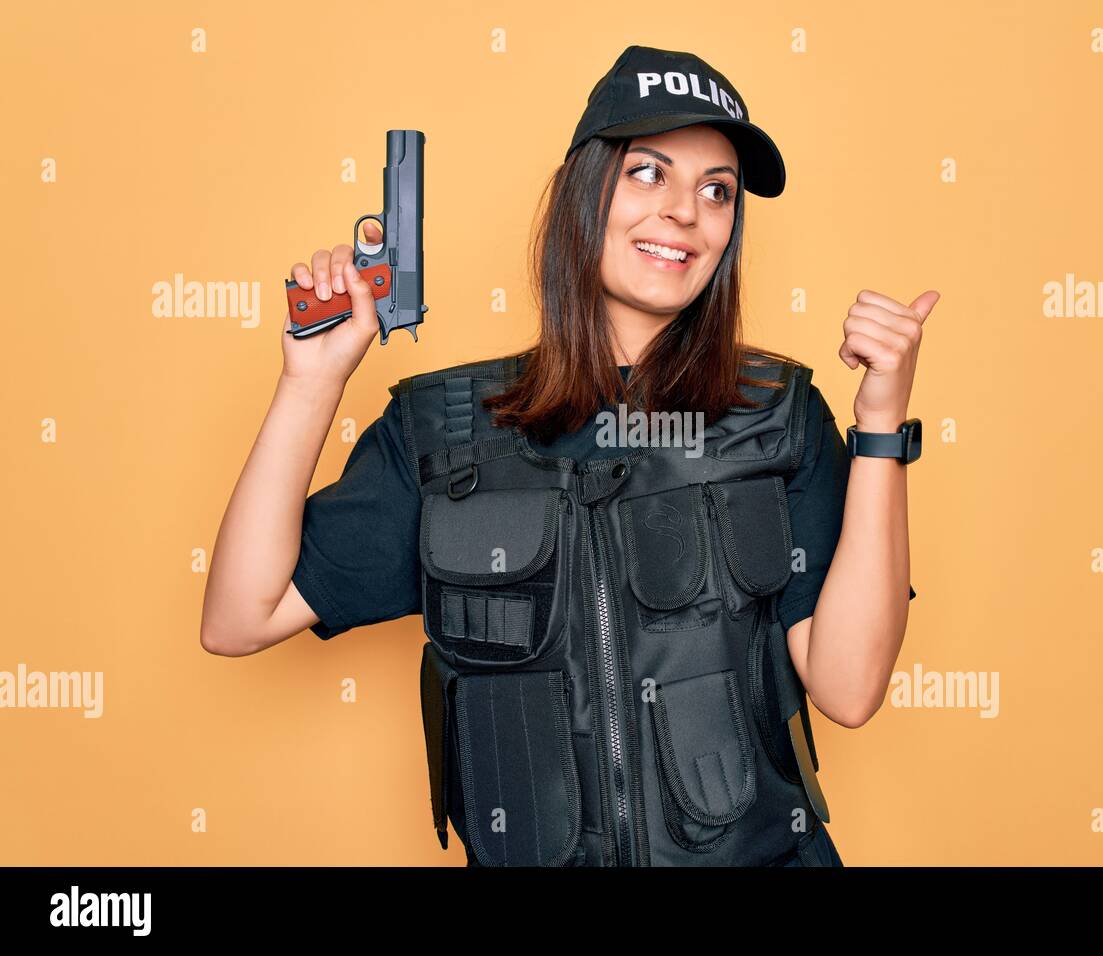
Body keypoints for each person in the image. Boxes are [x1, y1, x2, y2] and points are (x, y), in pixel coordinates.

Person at [201, 44, 935, 867]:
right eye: (648, 174)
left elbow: (848, 689)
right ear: (586, 194)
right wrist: (312, 382)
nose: (686, 212)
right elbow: (238, 618)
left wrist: (881, 427)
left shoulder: (775, 415)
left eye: (716, 190)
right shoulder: (446, 430)